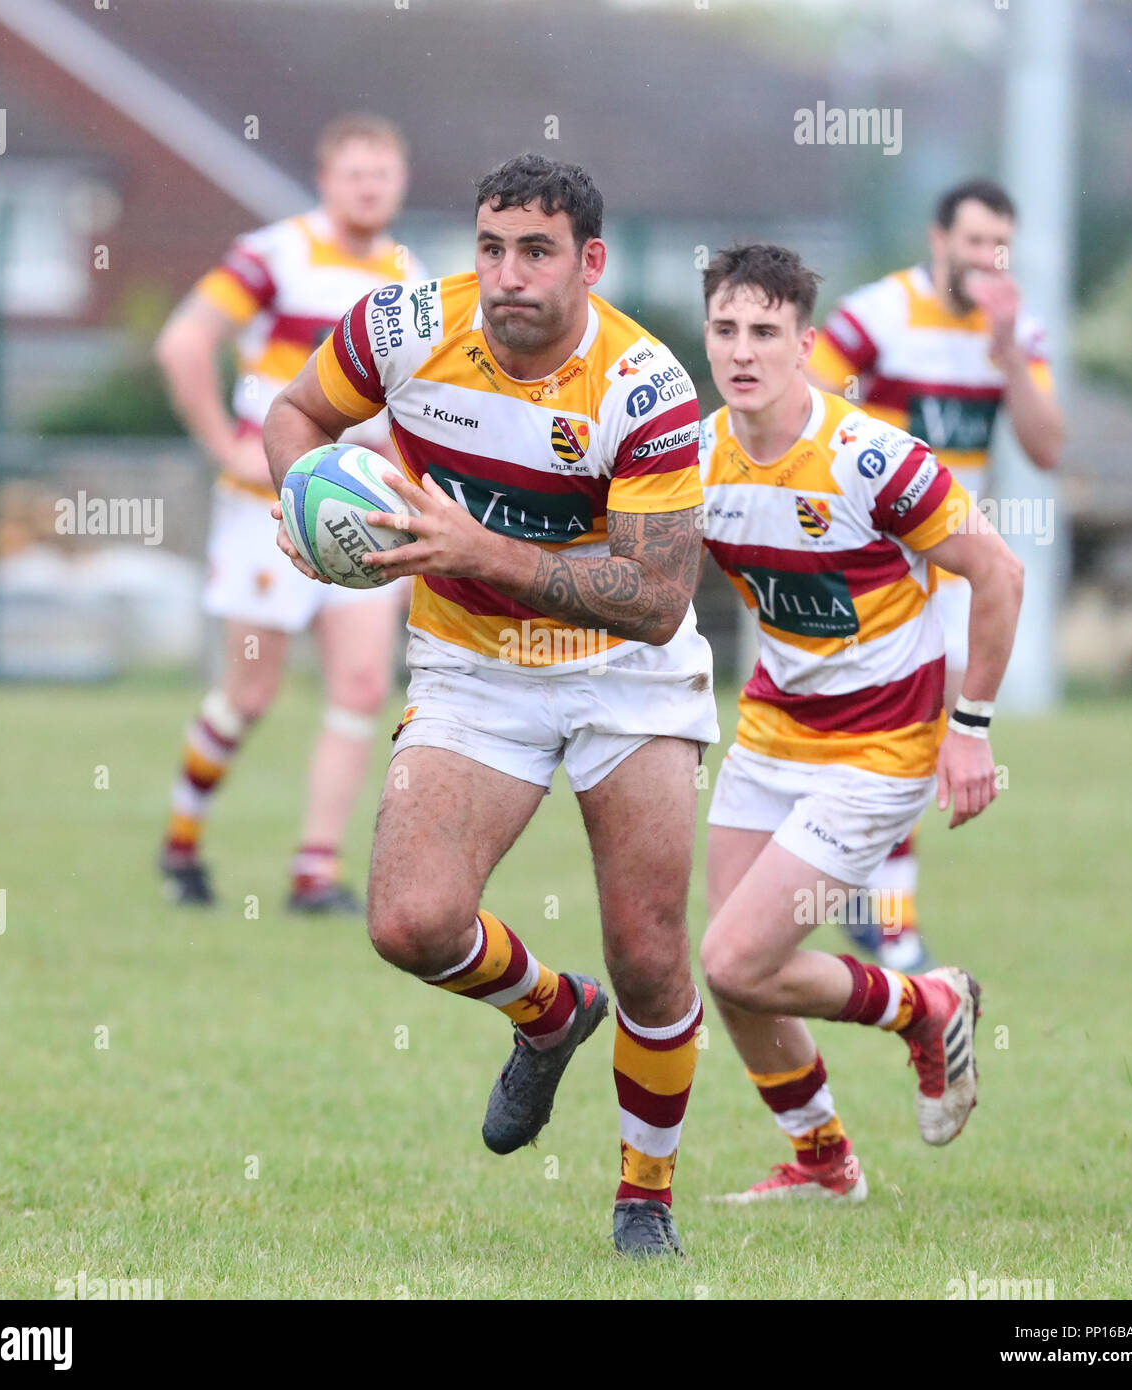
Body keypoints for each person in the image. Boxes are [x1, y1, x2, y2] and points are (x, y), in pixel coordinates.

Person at [263, 154, 718, 1257]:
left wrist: (481, 549)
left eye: (537, 251)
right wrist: (308, 510)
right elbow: (293, 412)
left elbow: (656, 602)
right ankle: (548, 1013)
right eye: (490, 246)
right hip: (471, 664)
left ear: (588, 262)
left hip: (626, 675)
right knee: (409, 923)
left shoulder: (644, 389)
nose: (507, 273)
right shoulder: (403, 324)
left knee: (649, 950)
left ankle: (642, 1200)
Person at [698, 243, 1023, 1202]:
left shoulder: (867, 458)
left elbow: (999, 572)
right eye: (726, 329)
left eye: (766, 332)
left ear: (807, 345)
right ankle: (823, 1164)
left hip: (881, 748)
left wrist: (972, 725)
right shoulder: (692, 456)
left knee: (735, 957)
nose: (743, 350)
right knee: (736, 974)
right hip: (770, 733)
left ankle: (927, 1003)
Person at [154, 114, 422, 912]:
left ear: (400, 183)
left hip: (364, 509)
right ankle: (181, 844)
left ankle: (315, 873)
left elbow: (415, 399)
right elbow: (183, 343)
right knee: (251, 695)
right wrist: (223, 446)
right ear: (325, 178)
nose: (370, 186)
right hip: (265, 507)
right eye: (356, 173)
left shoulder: (410, 274)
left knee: (365, 683)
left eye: (383, 173)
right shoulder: (275, 254)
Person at [807, 179, 1063, 969]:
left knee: (917, 734)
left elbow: (1048, 446)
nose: (986, 257)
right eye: (974, 239)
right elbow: (806, 397)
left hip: (953, 565)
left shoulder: (1014, 333)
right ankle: (879, 906)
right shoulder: (878, 316)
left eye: (999, 245)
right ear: (938, 237)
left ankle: (886, 910)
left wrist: (1010, 355)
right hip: (871, 559)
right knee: (874, 737)